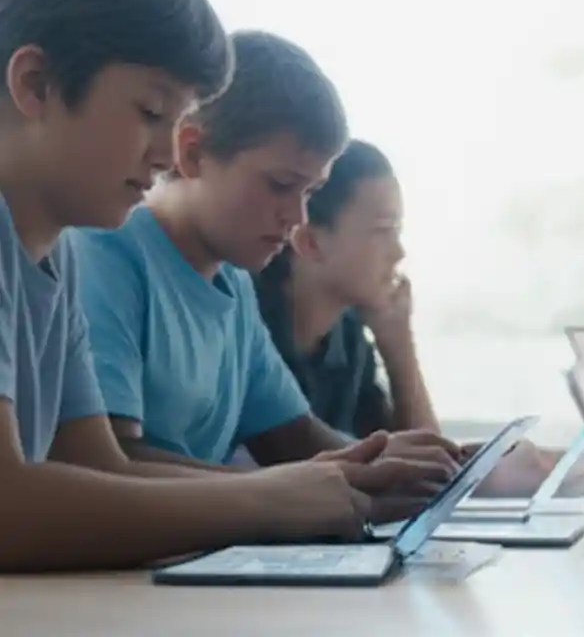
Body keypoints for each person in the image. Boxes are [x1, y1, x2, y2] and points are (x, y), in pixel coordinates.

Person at [0, 0, 403, 571]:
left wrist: (304, 489)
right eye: (150, 112)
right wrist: (265, 502)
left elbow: (98, 468)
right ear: (37, 83)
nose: (167, 156)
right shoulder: (92, 251)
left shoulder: (59, 253)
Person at [69, 30, 459, 483]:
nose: (296, 218)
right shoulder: (106, 251)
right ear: (192, 153)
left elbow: (292, 436)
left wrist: (400, 463)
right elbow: (111, 461)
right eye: (280, 185)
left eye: (309, 192)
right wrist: (297, 489)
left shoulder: (233, 283)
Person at [255, 138, 440, 438]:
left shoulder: (347, 338)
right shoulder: (245, 327)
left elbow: (424, 456)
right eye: (383, 231)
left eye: (397, 232)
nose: (398, 253)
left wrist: (399, 347)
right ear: (309, 242)